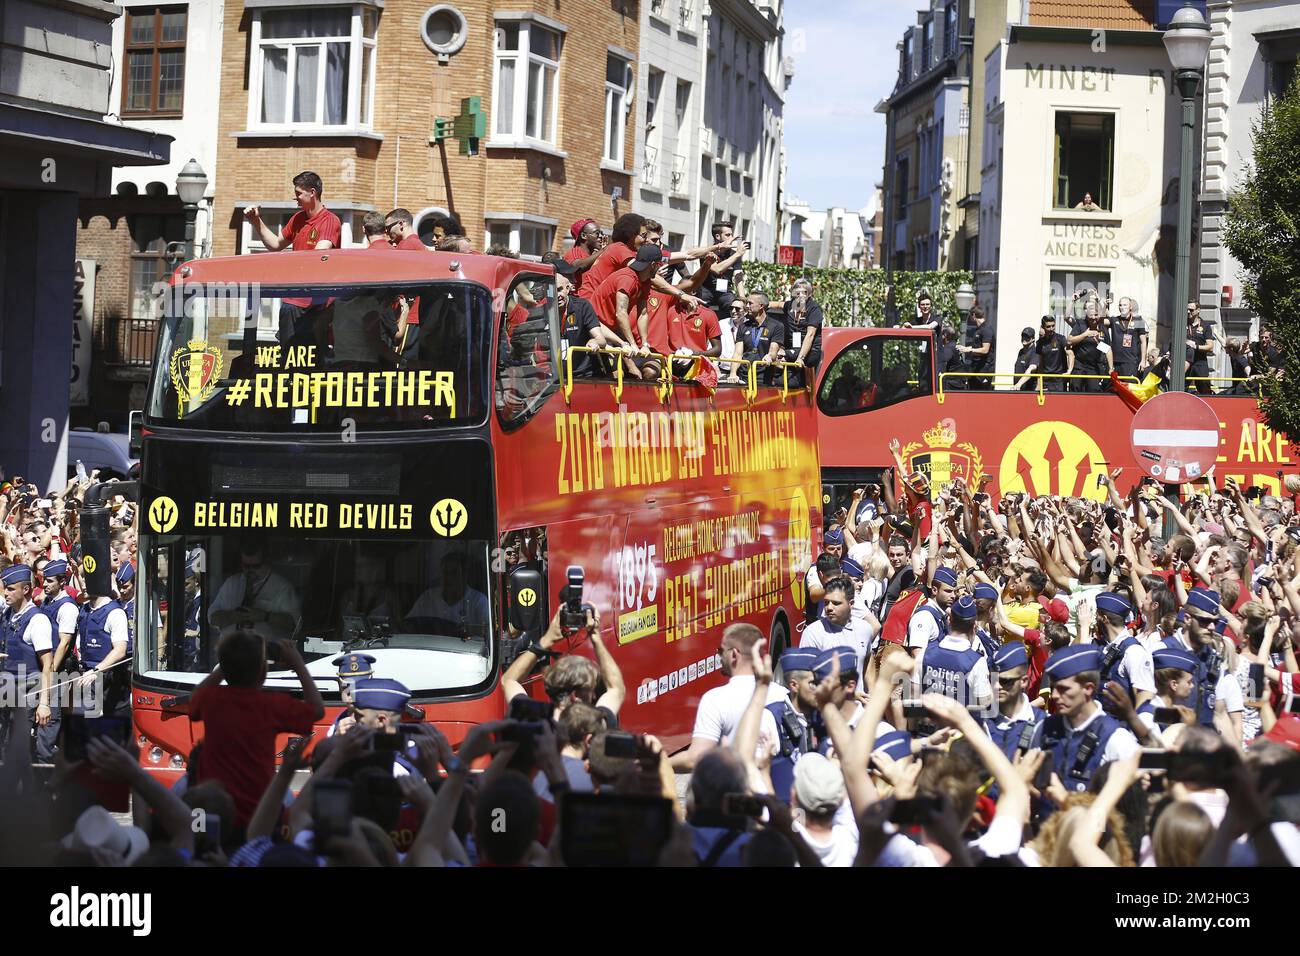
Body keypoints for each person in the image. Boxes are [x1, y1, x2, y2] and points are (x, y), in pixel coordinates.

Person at [188, 629, 325, 826]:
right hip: (257, 813)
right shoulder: (271, 705)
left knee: (200, 846)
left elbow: (194, 702)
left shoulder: (211, 699)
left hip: (210, 812)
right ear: (263, 672)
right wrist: (297, 663)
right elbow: (317, 710)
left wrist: (224, 666)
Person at [243, 172, 342, 346]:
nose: (294, 198)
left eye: (298, 193)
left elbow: (318, 256)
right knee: (288, 357)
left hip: (316, 305)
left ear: (312, 192)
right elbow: (275, 244)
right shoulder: (297, 219)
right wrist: (256, 221)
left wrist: (286, 267)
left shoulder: (330, 221)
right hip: (292, 300)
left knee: (311, 360)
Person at [671, 622, 782, 772]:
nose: (719, 655)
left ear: (734, 654)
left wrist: (661, 763)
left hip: (736, 790)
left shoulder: (715, 700)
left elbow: (695, 758)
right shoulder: (782, 694)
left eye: (720, 650)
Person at [1040, 645, 1140, 793]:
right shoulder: (1044, 728)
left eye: (1063, 689)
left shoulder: (1117, 740)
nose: (1054, 695)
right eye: (1054, 688)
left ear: (1088, 689)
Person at [0, 564, 56, 760]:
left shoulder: (37, 620)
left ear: (25, 590)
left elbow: (47, 664)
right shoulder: (8, 614)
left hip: (27, 692)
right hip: (7, 689)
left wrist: (44, 703)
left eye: (10, 588)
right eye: (5, 588)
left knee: (18, 746)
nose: (5, 593)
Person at [588, 243, 666, 382]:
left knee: (651, 370)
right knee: (619, 375)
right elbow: (621, 313)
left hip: (615, 331)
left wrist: (644, 344)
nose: (660, 268)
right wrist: (632, 344)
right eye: (660, 265)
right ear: (654, 264)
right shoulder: (627, 278)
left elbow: (642, 313)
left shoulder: (645, 281)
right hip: (597, 326)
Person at [208, 540, 302, 646]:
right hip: (230, 653)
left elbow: (295, 625)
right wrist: (233, 616)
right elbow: (212, 618)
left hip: (265, 655)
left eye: (256, 566)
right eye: (246, 566)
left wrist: (264, 616)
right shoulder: (232, 583)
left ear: (267, 562)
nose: (250, 570)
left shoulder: (282, 587)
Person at [918, 595, 993, 713]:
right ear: (974, 627)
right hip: (958, 729)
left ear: (949, 621)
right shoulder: (976, 662)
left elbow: (912, 695)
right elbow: (983, 704)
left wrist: (913, 731)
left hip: (926, 727)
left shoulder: (925, 653)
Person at [766, 647, 818, 803]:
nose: (821, 688)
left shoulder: (825, 714)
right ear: (794, 685)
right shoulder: (771, 717)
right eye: (813, 683)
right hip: (784, 816)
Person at [406, 552, 490, 638]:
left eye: (453, 573)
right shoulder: (428, 597)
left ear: (465, 575)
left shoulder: (479, 601)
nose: (448, 578)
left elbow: (487, 633)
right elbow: (409, 625)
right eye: (445, 573)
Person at [800, 577, 872, 677]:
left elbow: (867, 664)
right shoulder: (812, 633)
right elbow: (805, 678)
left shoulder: (865, 629)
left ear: (851, 604)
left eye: (836, 603)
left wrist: (873, 691)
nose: (829, 607)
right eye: (826, 602)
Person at [985, 641, 1044, 761]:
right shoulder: (979, 721)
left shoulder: (1043, 725)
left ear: (1024, 681)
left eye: (1005, 681)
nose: (996, 686)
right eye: (992, 679)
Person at [907, 566, 959, 662]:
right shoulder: (924, 617)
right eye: (948, 591)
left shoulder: (941, 616)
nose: (953, 596)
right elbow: (917, 655)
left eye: (955, 592)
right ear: (934, 590)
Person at [1108, 298, 1147, 381]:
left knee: (1129, 388)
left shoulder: (1138, 320)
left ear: (1130, 307)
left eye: (1125, 305)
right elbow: (1100, 320)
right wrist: (1102, 303)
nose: (1122, 307)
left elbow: (1143, 342)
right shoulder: (1114, 320)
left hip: (1131, 362)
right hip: (1116, 361)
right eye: (1120, 305)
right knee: (1115, 389)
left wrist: (1143, 360)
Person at [957, 307, 995, 390]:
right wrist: (964, 348)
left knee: (982, 393)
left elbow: (985, 350)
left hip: (984, 369)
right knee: (971, 389)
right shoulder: (978, 329)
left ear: (973, 315)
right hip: (975, 367)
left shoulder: (986, 329)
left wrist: (970, 350)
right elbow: (977, 347)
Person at [563, 218, 605, 289]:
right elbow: (577, 266)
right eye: (597, 233)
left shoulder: (595, 255)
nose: (601, 236)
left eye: (602, 233)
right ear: (583, 236)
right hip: (578, 298)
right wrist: (604, 250)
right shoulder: (574, 252)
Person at [1184, 302, 1215, 394]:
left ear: (1198, 310)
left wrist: (1195, 346)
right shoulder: (1182, 323)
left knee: (1204, 388)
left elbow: (1210, 347)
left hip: (1200, 362)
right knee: (1180, 387)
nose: (1188, 312)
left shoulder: (1205, 326)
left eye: (1191, 310)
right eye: (1187, 310)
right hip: (1186, 362)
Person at [1035, 315, 1070, 391]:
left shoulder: (1060, 339)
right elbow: (1040, 364)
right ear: (1043, 327)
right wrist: (1039, 384)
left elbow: (1070, 354)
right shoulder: (1040, 343)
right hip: (1046, 380)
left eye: (1053, 326)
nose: (1051, 329)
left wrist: (1069, 371)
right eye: (1048, 326)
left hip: (1059, 380)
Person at [1012, 327, 1040, 391]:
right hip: (1018, 389)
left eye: (1027, 337)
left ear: (1033, 339)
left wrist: (1019, 384)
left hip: (1029, 392)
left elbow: (1031, 370)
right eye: (1023, 336)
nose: (1024, 338)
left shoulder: (1035, 352)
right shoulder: (1021, 351)